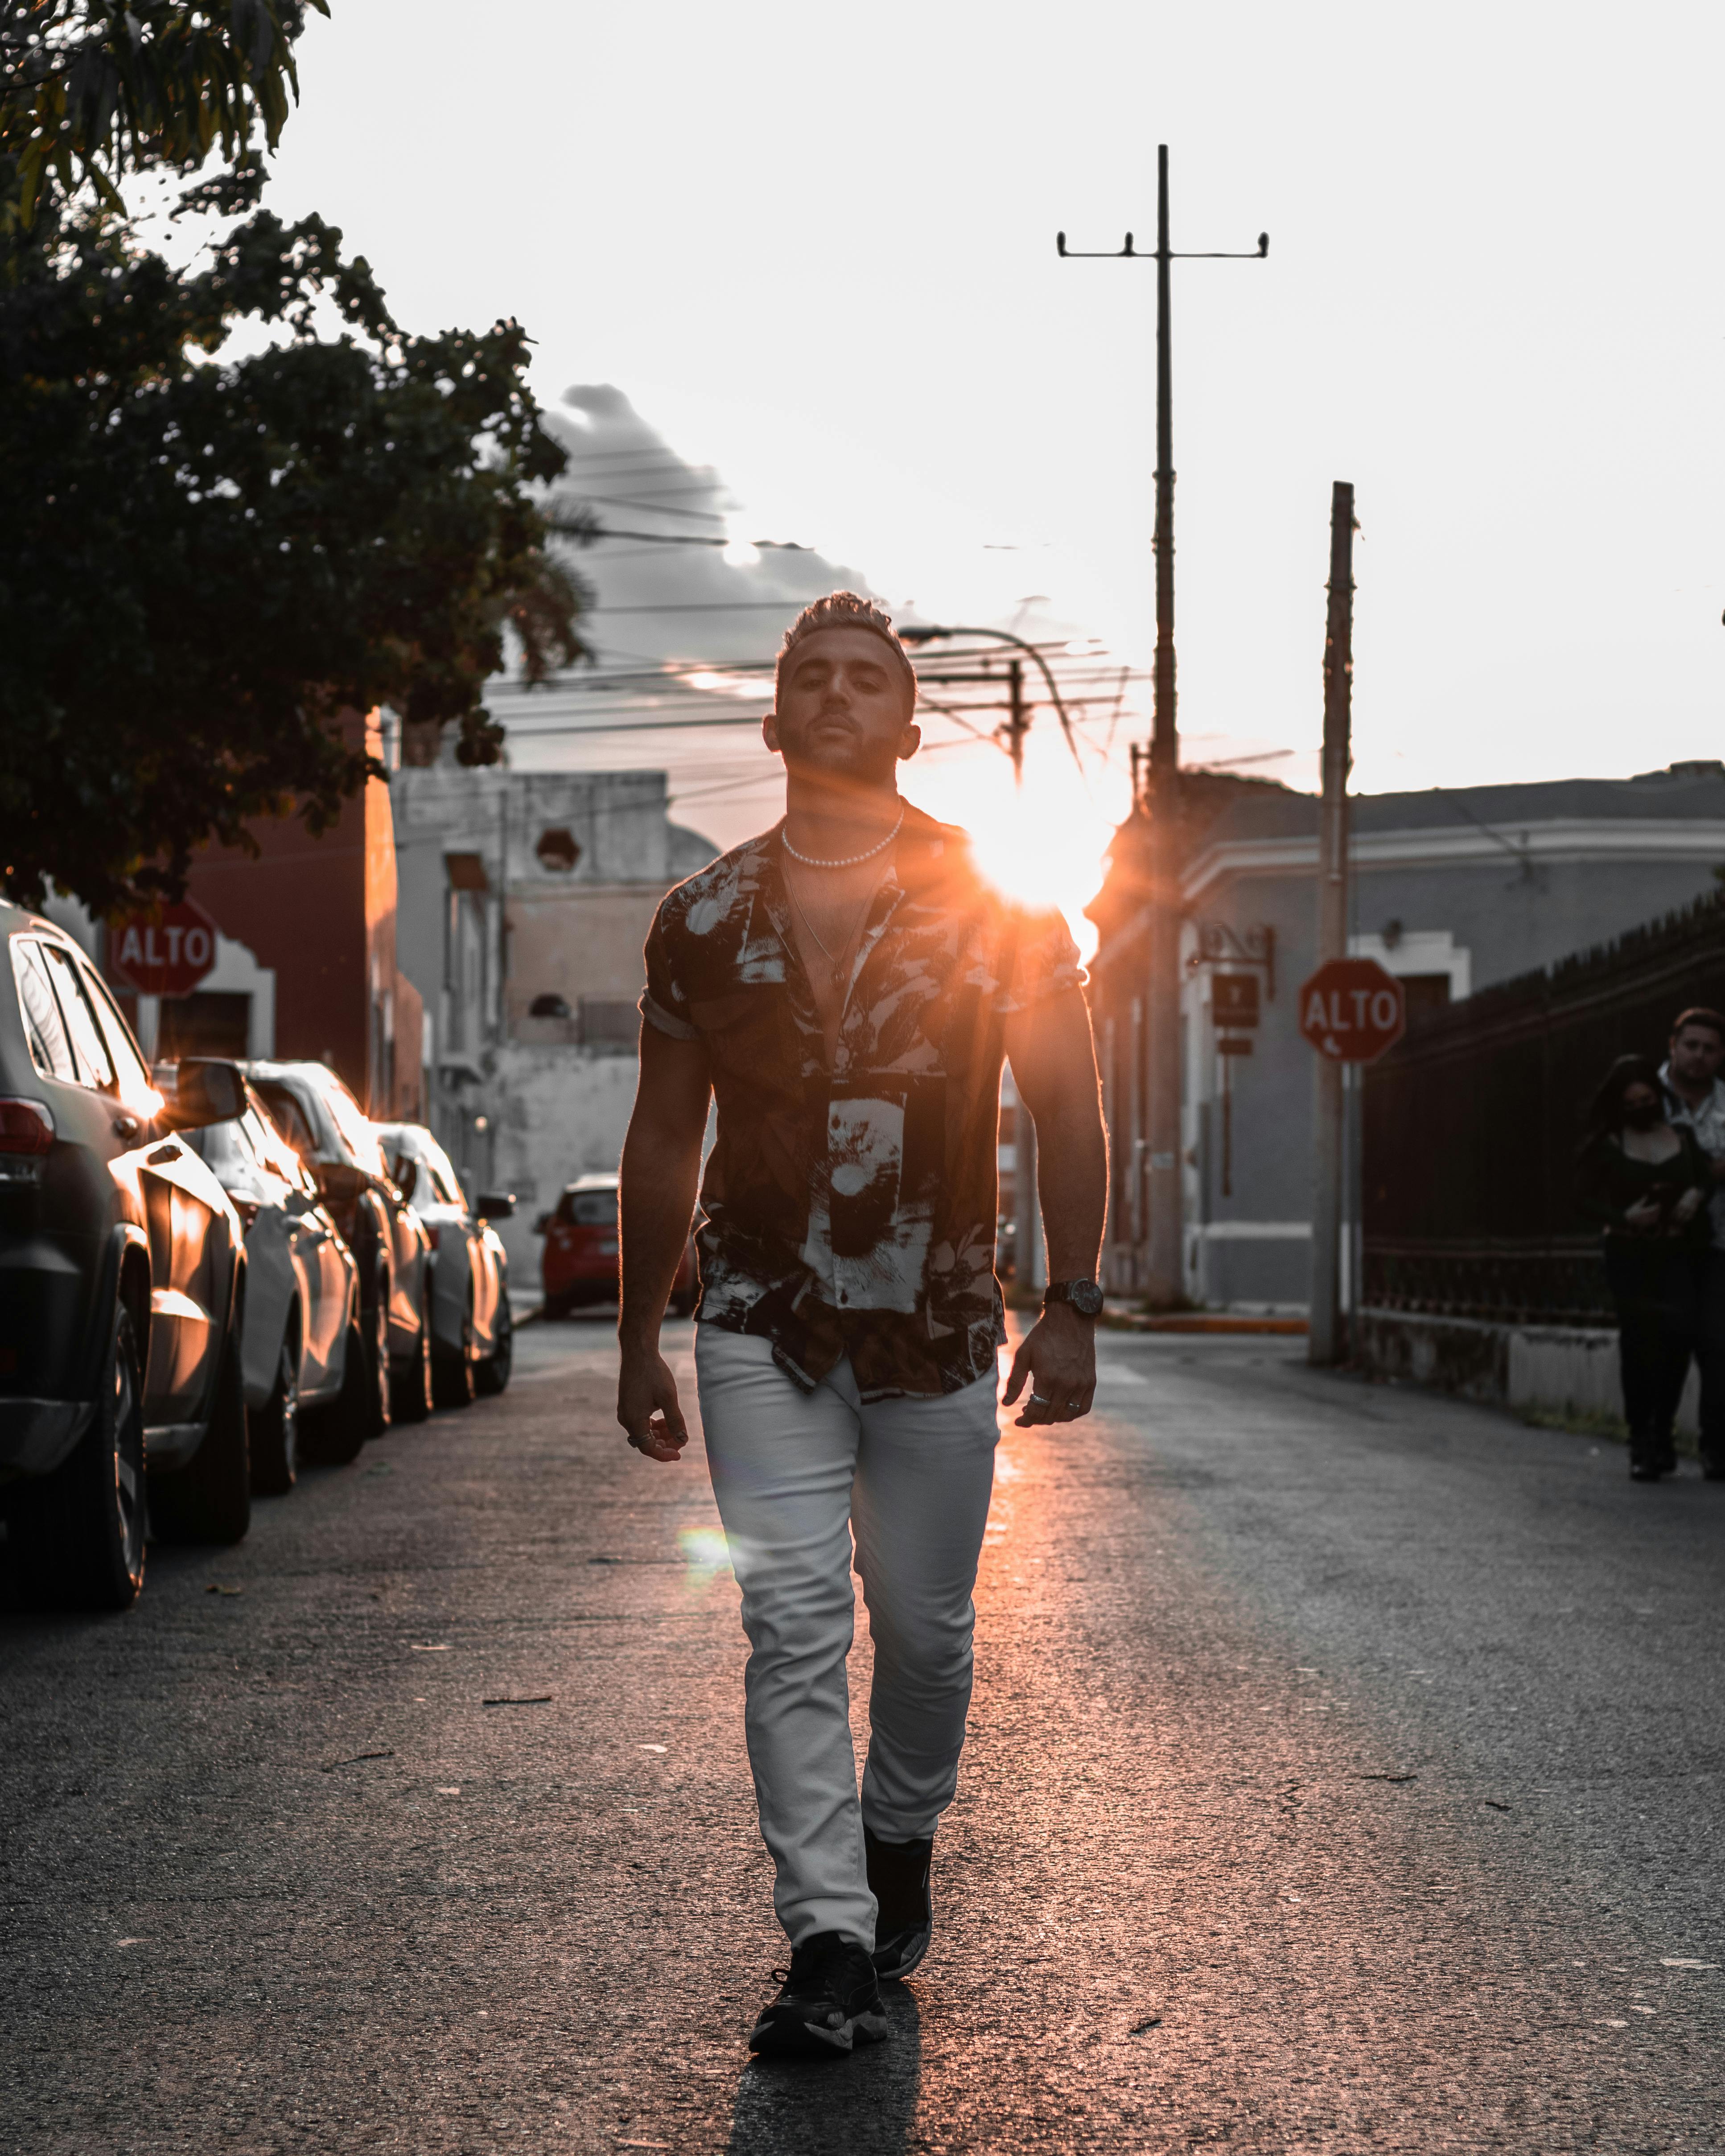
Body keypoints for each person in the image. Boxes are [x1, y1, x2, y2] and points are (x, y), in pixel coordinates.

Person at [614, 592, 1108, 2057]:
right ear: (774, 721)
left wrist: (1073, 1300)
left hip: (937, 1316)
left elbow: (1067, 1104)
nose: (836, 695)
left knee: (927, 1630)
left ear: (905, 722)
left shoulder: (998, 905)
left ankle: (897, 1834)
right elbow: (662, 1136)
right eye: (811, 678)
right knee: (788, 1624)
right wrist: (637, 1334)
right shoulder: (699, 918)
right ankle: (826, 1938)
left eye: (866, 680)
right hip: (757, 1314)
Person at [1577, 1054, 1710, 1480]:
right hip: (1629, 1255)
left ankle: (1662, 1430)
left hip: (1677, 1252)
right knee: (1638, 1344)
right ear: (1619, 1105)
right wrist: (1622, 1218)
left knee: (1679, 1339)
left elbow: (1705, 1176)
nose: (1641, 1108)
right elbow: (1580, 1200)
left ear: (1658, 1096)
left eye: (1647, 1100)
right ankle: (1640, 1439)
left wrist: (1695, 1195)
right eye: (1631, 1103)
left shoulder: (1681, 1135)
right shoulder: (1609, 1144)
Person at [1659, 1006, 1725, 1480]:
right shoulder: (1645, 1097)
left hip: (1719, 1242)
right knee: (1665, 1343)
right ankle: (1653, 1439)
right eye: (1691, 1046)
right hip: (1658, 1244)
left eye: (1709, 1049)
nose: (1699, 1056)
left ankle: (1716, 1446)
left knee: (1717, 1343)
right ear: (1673, 1046)